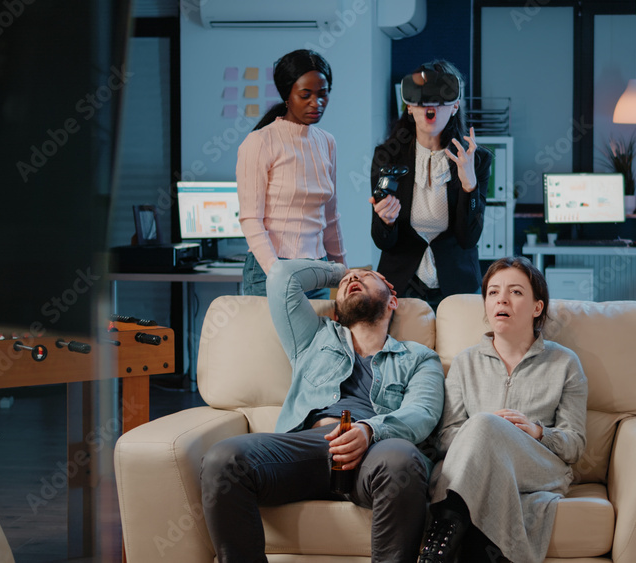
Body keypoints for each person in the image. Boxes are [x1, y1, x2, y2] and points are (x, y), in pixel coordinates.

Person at [200, 258, 445, 563]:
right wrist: (342, 273)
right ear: (337, 311)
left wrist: (369, 430)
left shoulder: (419, 357)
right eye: (347, 283)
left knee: (402, 460)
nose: (354, 278)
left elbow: (423, 411)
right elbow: (281, 276)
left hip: (374, 454)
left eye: (367, 277)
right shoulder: (312, 337)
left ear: (392, 300)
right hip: (306, 450)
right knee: (223, 459)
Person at [420, 256, 588, 563]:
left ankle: (438, 542)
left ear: (538, 307)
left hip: (539, 468)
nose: (502, 300)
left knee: (483, 427)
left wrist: (537, 432)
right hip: (474, 470)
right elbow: (445, 438)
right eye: (493, 292)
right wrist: (485, 431)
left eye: (516, 292)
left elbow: (575, 445)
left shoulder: (565, 363)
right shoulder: (464, 362)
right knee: (483, 427)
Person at [370, 60, 493, 310]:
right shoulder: (388, 156)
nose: (431, 107)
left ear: (455, 104)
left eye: (441, 99)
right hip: (400, 287)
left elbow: (469, 238)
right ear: (409, 107)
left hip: (457, 288)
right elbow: (382, 241)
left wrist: (469, 184)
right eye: (422, 99)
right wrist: (386, 221)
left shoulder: (476, 159)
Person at [237, 49, 346, 298]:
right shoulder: (260, 142)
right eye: (305, 95)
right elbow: (251, 219)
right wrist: (277, 273)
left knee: (320, 338)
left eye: (323, 94)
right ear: (288, 95)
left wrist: (343, 272)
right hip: (271, 270)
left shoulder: (327, 142)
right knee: (270, 339)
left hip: (317, 269)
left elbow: (331, 217)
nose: (316, 103)